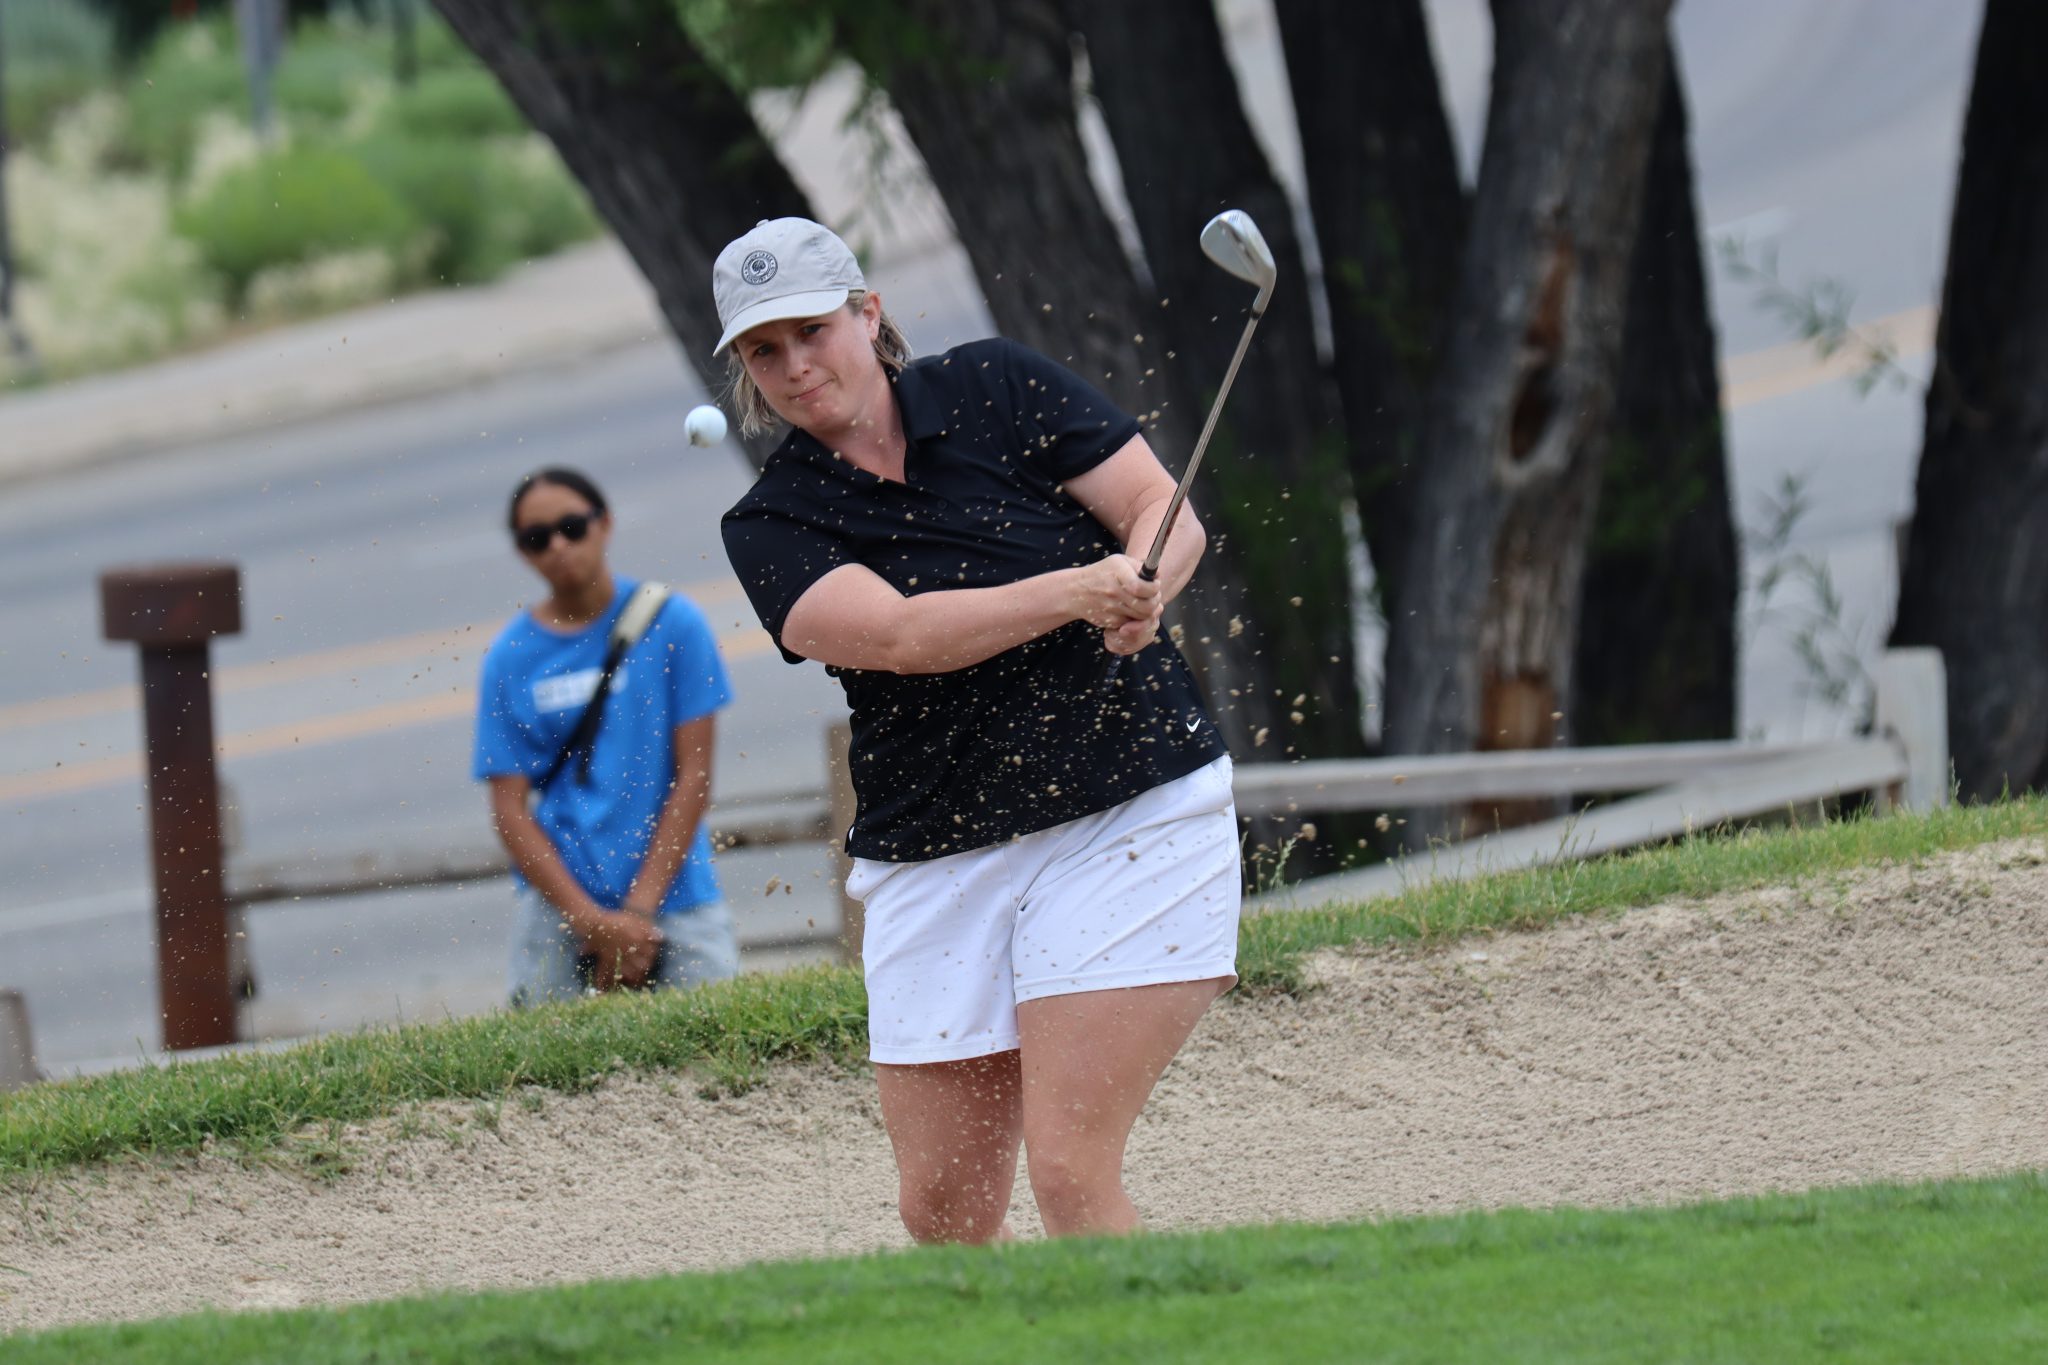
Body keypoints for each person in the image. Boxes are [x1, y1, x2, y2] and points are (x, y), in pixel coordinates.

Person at [715, 218, 1240, 1242]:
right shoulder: (771, 521)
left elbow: (1157, 508)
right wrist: (1081, 590)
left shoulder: (998, 385)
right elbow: (904, 638)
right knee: (943, 1213)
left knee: (1067, 1168)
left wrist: (1147, 584)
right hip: (932, 855)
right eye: (762, 351)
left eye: (811, 331)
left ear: (869, 315)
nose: (792, 365)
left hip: (1126, 806)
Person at [474, 466, 740, 1006]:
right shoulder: (510, 657)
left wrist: (636, 916)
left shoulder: (674, 623)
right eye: (537, 538)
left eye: (572, 526)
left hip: (676, 896)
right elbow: (509, 809)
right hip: (559, 907)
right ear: (523, 552)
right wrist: (589, 920)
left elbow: (694, 776)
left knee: (719, 1059)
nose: (558, 546)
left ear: (605, 525)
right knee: (547, 1074)